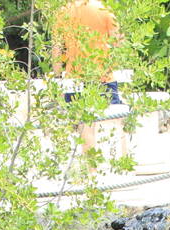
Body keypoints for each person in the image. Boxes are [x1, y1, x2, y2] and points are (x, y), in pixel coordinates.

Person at [53, 0, 124, 153]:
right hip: (103, 76)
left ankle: (91, 173)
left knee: (84, 126)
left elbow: (57, 49)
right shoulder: (104, 9)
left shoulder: (63, 12)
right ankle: (121, 166)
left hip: (74, 79)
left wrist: (57, 77)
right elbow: (118, 44)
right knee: (114, 123)